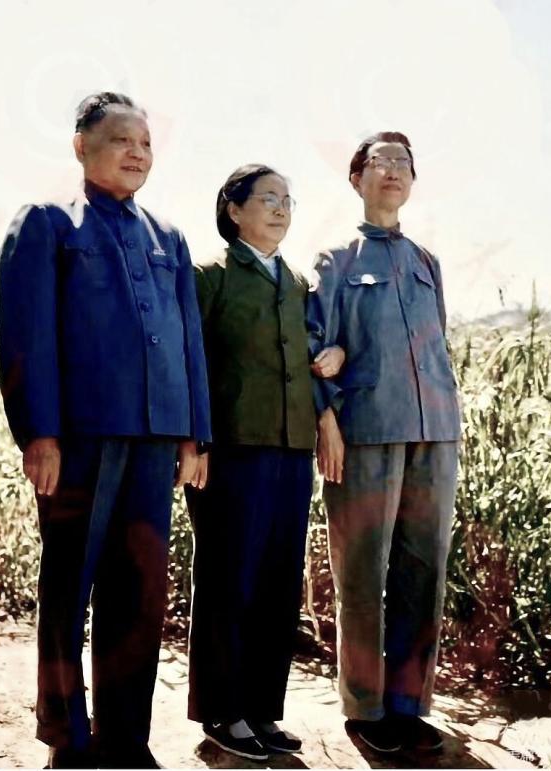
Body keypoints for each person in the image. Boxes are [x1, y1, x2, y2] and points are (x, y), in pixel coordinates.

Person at [0, 92, 211, 769]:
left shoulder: (168, 237)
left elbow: (188, 341)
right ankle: (68, 737)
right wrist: (40, 434)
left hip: (154, 439)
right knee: (69, 587)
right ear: (81, 146)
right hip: (79, 439)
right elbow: (25, 334)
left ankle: (126, 739)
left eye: (145, 142)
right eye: (121, 139)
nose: (137, 152)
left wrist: (193, 435)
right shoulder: (49, 223)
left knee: (139, 593)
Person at [308, 132, 461, 755]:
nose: (394, 172)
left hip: (435, 435)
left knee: (424, 572)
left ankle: (408, 703)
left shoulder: (427, 262)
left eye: (404, 163)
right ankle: (366, 710)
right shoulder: (334, 261)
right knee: (363, 574)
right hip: (366, 434)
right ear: (357, 179)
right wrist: (328, 423)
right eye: (381, 162)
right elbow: (317, 348)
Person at [185, 164, 344, 761]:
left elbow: (309, 359)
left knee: (278, 582)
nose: (281, 209)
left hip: (290, 449)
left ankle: (260, 711)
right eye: (267, 198)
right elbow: (190, 362)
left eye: (287, 199)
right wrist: (193, 440)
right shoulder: (210, 276)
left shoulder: (297, 281)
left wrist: (325, 418)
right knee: (229, 580)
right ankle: (221, 715)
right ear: (233, 209)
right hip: (230, 451)